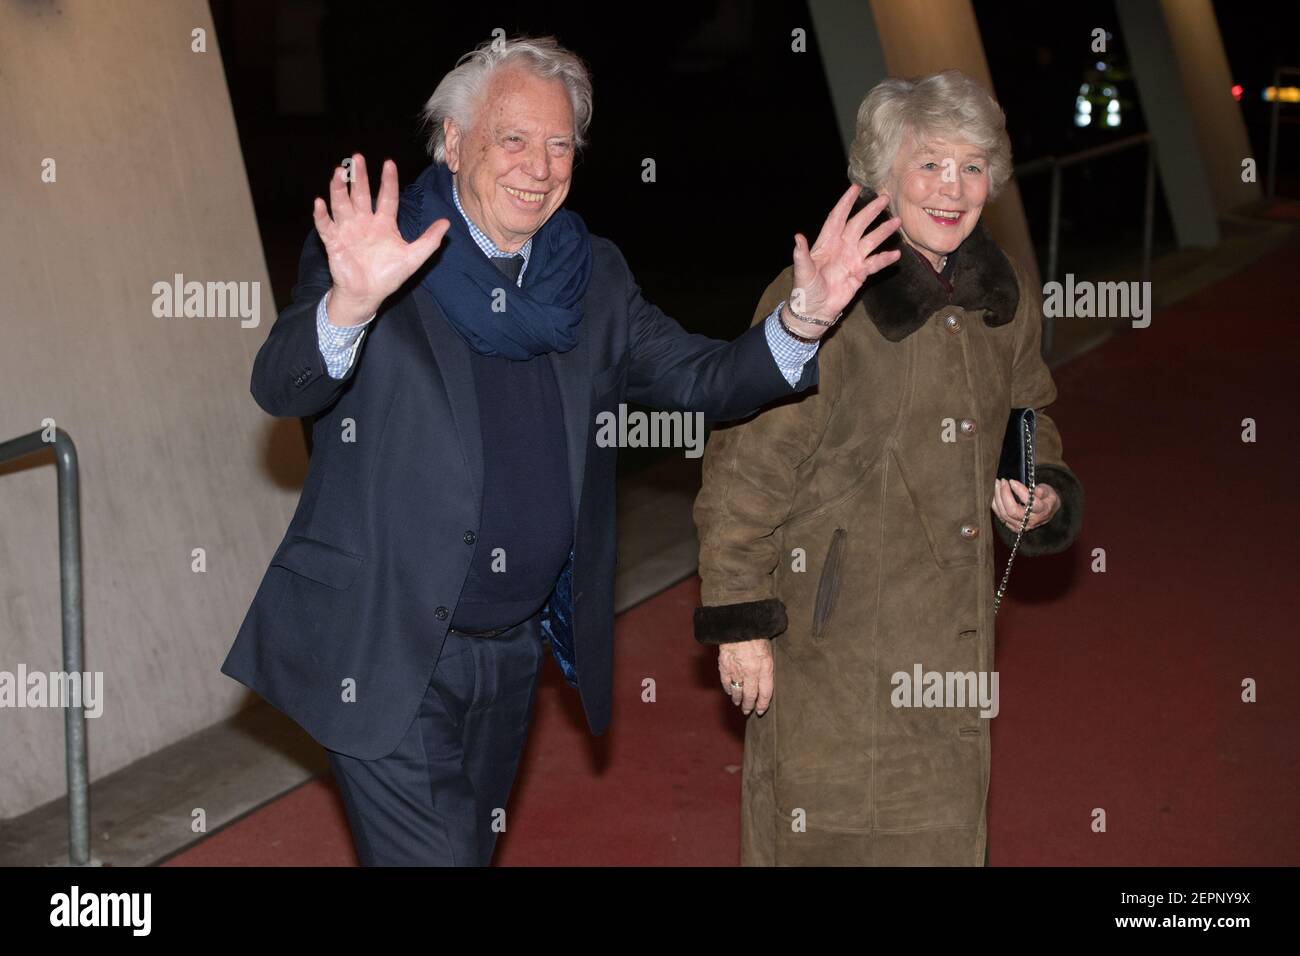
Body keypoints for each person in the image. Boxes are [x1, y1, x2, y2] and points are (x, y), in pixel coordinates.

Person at [221, 35, 902, 866]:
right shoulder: (380, 256)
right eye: (513, 140)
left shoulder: (590, 274)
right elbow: (280, 387)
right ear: (453, 141)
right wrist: (349, 306)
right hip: (382, 643)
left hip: (512, 652)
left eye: (559, 145)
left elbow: (702, 379)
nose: (539, 168)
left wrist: (803, 319)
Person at [693, 69, 1085, 866]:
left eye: (973, 166)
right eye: (931, 164)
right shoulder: (822, 296)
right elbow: (744, 471)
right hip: (832, 648)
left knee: (942, 837)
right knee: (824, 837)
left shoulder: (998, 297)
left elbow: (1027, 414)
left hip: (955, 639)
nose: (954, 188)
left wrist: (1039, 487)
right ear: (882, 175)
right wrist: (740, 627)